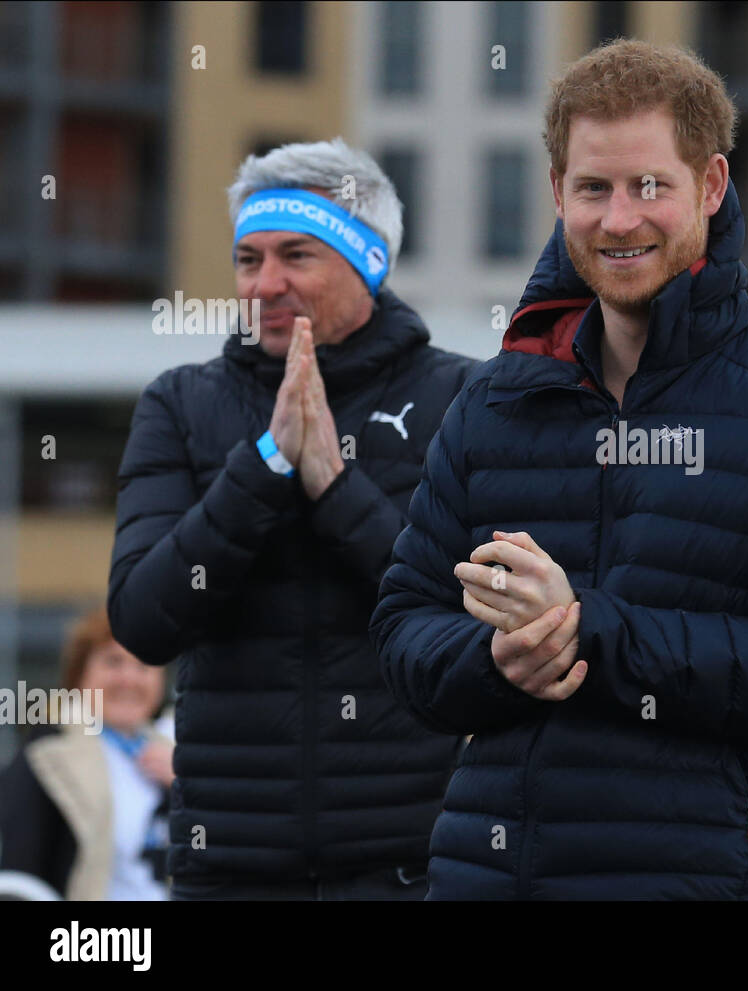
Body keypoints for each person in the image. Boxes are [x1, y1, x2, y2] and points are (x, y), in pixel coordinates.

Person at [370, 39, 748, 900]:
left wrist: (591, 630)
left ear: (712, 184)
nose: (619, 220)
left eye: (649, 185)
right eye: (593, 188)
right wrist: (498, 660)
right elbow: (402, 624)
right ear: (556, 193)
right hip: (490, 878)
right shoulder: (492, 403)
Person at [108, 139, 478, 900]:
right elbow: (143, 617)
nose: (265, 284)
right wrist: (268, 464)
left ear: (368, 262)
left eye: (296, 256)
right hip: (227, 869)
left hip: (413, 865)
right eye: (248, 260)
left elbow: (467, 611)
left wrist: (334, 485)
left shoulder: (461, 399)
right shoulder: (181, 403)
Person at [0, 606, 172, 900]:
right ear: (79, 675)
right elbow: (20, 877)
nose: (129, 679)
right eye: (113, 662)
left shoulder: (177, 754)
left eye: (143, 665)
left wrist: (189, 786)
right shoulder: (48, 756)